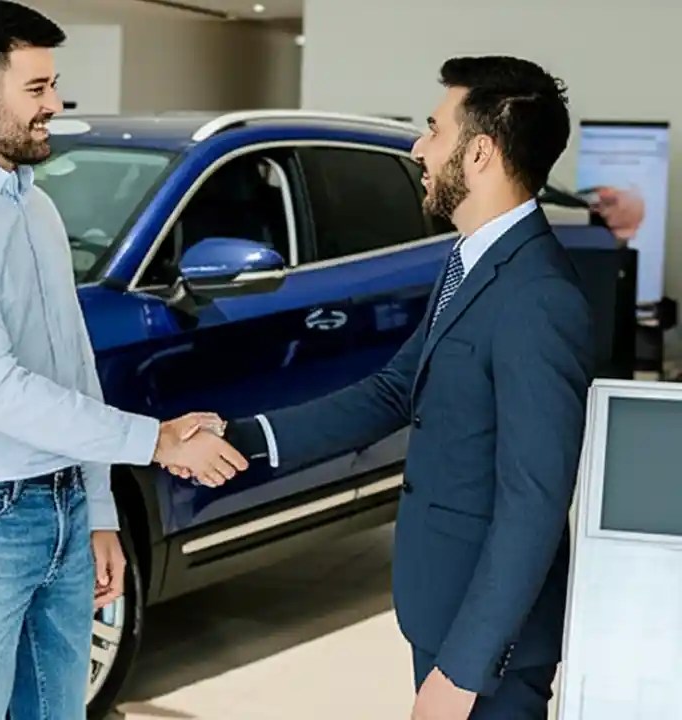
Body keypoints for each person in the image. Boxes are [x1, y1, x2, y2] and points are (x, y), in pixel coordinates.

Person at [0, 2, 248, 717]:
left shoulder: (36, 207)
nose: (54, 105)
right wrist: (157, 439)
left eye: (54, 86)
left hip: (64, 504)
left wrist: (100, 511)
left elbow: (71, 367)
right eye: (38, 88)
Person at [201, 56, 594, 719]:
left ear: (481, 154)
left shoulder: (540, 297)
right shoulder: (470, 262)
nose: (418, 146)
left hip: (488, 650)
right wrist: (242, 436)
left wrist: (465, 671)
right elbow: (392, 392)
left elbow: (534, 502)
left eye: (434, 130)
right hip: (442, 609)